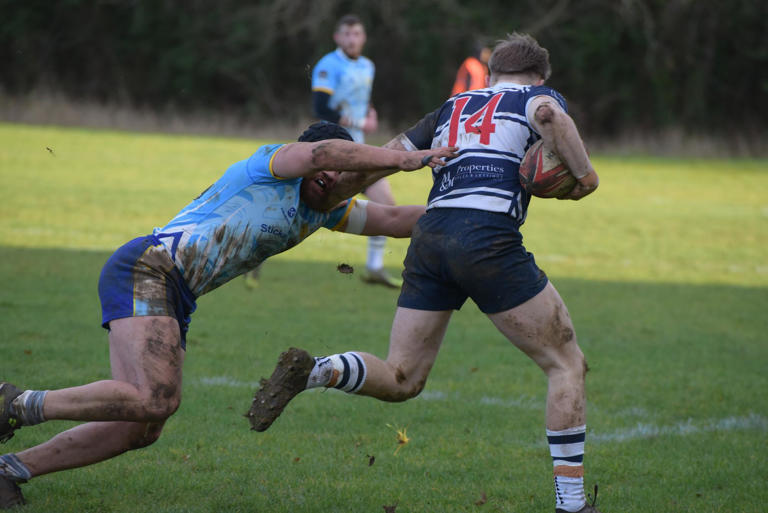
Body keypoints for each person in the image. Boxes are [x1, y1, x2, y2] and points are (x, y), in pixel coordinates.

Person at [0, 122, 457, 509]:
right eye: (329, 168)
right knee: (157, 397)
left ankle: (11, 469)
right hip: (149, 267)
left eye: (343, 174)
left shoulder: (324, 213)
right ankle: (13, 404)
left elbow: (397, 220)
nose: (332, 175)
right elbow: (322, 151)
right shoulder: (272, 166)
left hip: (177, 292)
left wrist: (469, 212)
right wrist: (396, 159)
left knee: (142, 427)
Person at [249, 34, 603, 513]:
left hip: (430, 237)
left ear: (493, 71)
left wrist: (324, 199)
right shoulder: (534, 97)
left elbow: (388, 152)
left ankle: (317, 370)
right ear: (538, 75)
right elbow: (550, 119)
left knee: (402, 377)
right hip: (487, 237)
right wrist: (585, 178)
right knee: (566, 364)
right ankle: (573, 504)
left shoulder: (451, 107)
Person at [311, 14, 401, 289]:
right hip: (332, 148)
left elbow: (361, 97)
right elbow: (321, 108)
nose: (352, 39)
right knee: (312, 206)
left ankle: (375, 267)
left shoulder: (367, 65)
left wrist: (369, 115)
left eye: (357, 34)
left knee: (387, 204)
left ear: (363, 38)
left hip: (360, 148)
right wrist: (360, 122)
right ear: (337, 38)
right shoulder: (328, 65)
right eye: (346, 34)